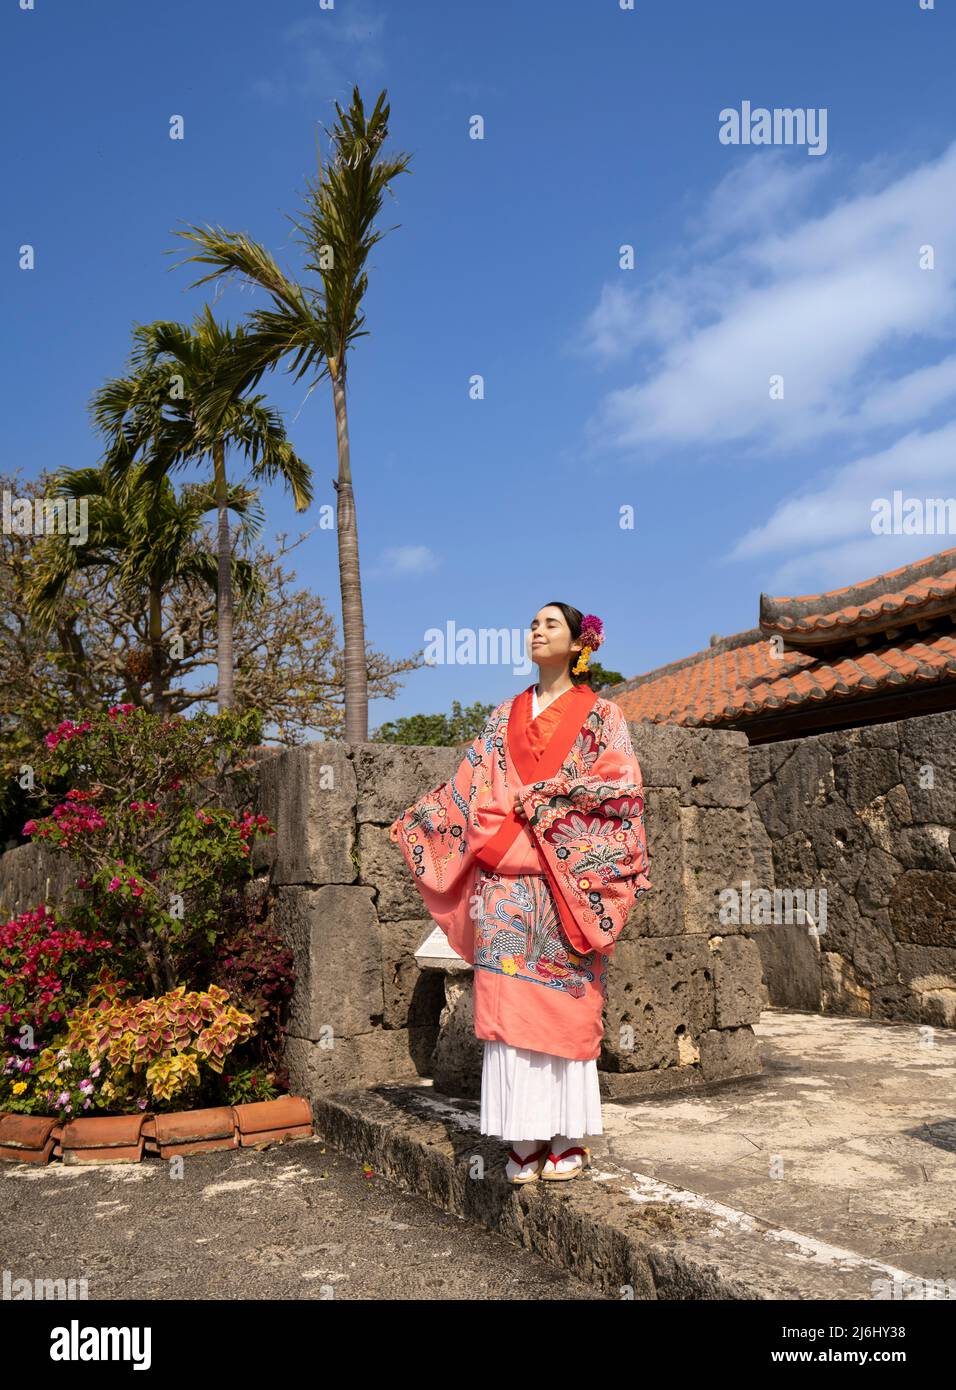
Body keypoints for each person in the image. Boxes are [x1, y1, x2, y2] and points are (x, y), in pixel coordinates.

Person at [389, 603, 651, 1184]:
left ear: (580, 641)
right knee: (508, 1006)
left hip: (568, 885)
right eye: (532, 624)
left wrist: (547, 804)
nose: (537, 631)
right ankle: (522, 1139)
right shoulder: (500, 716)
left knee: (564, 1006)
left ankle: (566, 1137)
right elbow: (469, 784)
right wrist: (424, 823)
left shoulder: (604, 716)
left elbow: (619, 792)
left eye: (550, 624)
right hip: (505, 889)